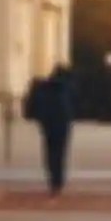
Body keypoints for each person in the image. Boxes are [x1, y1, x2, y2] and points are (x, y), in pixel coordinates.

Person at [23, 64, 77, 197]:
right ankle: (58, 180)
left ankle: (52, 178)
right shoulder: (66, 87)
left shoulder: (43, 86)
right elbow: (74, 103)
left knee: (50, 151)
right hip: (62, 124)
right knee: (60, 153)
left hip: (48, 124)